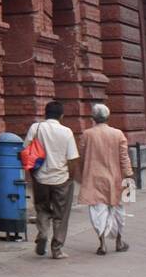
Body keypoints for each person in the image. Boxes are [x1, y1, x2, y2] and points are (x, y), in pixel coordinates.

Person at [23, 100, 80, 259]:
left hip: (40, 177)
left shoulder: (36, 128)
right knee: (60, 215)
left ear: (45, 114)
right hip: (61, 179)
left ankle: (42, 233)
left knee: (42, 208)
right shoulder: (66, 132)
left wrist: (32, 173)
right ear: (62, 116)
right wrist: (71, 178)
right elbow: (73, 158)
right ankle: (57, 249)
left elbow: (25, 150)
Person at [77, 103, 134, 255]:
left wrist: (81, 174)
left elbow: (81, 157)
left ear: (93, 118)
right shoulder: (118, 134)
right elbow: (124, 157)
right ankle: (119, 241)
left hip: (94, 178)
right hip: (116, 177)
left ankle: (102, 243)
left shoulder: (87, 134)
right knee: (118, 210)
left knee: (97, 211)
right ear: (108, 117)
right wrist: (129, 174)